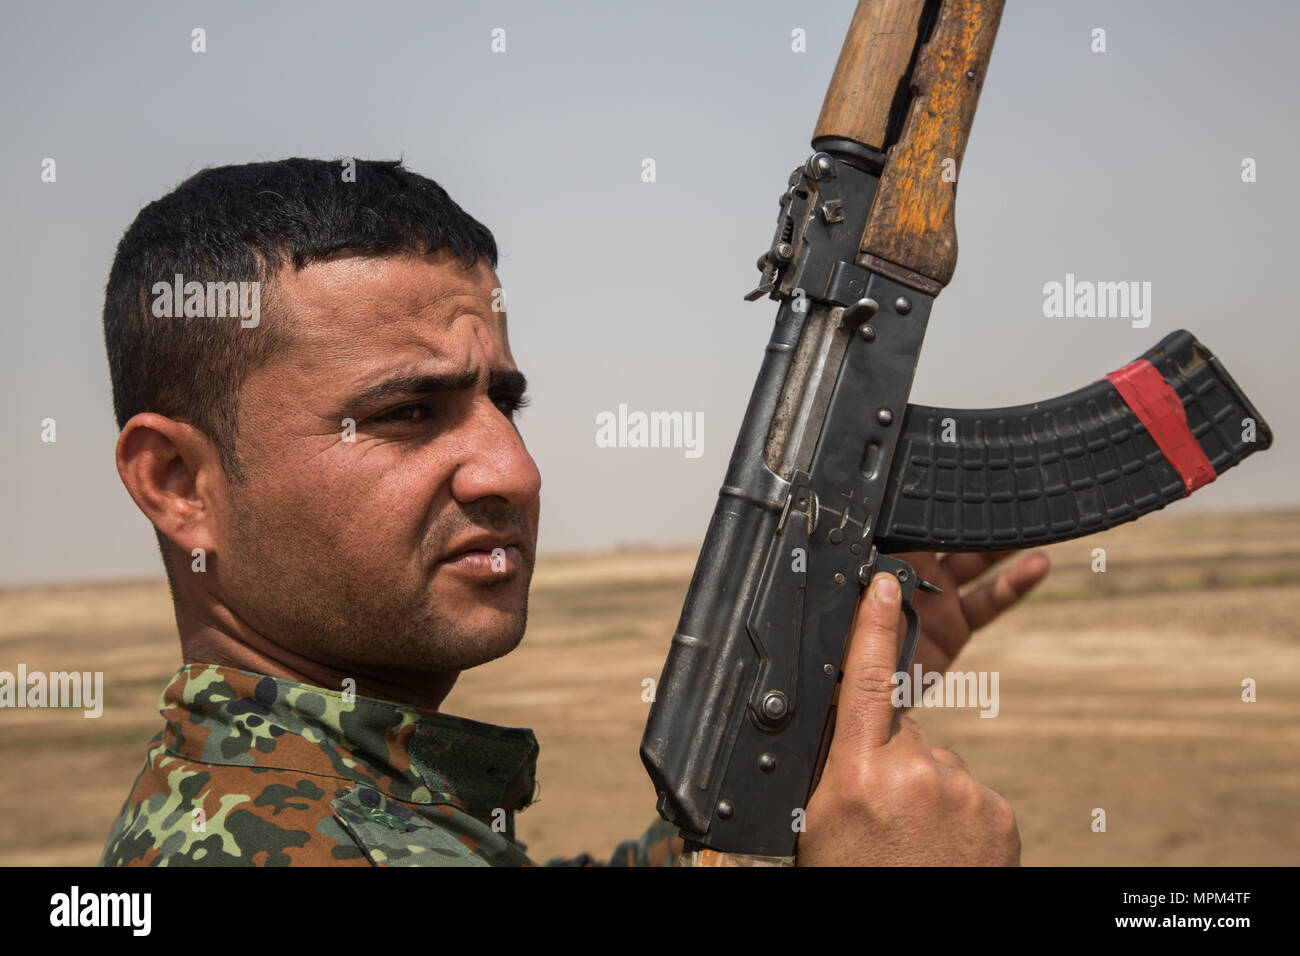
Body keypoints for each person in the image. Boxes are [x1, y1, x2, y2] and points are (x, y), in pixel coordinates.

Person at [98, 158, 1049, 867]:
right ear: (178, 483)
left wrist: (804, 733)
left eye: (504, 403)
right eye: (406, 413)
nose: (511, 469)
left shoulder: (328, 802)